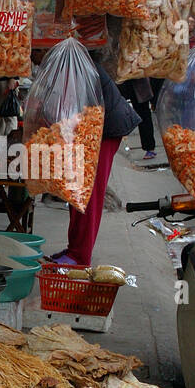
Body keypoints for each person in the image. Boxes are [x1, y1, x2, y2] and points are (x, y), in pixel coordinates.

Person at [47, 56, 141, 266]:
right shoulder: (70, 66)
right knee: (77, 193)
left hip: (105, 131)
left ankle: (80, 256)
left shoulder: (75, 68)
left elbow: (80, 113)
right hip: (96, 130)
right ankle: (75, 248)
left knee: (87, 194)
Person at [122, 77, 155, 158]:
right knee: (142, 114)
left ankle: (149, 148)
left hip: (138, 84)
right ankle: (149, 148)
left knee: (143, 115)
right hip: (126, 82)